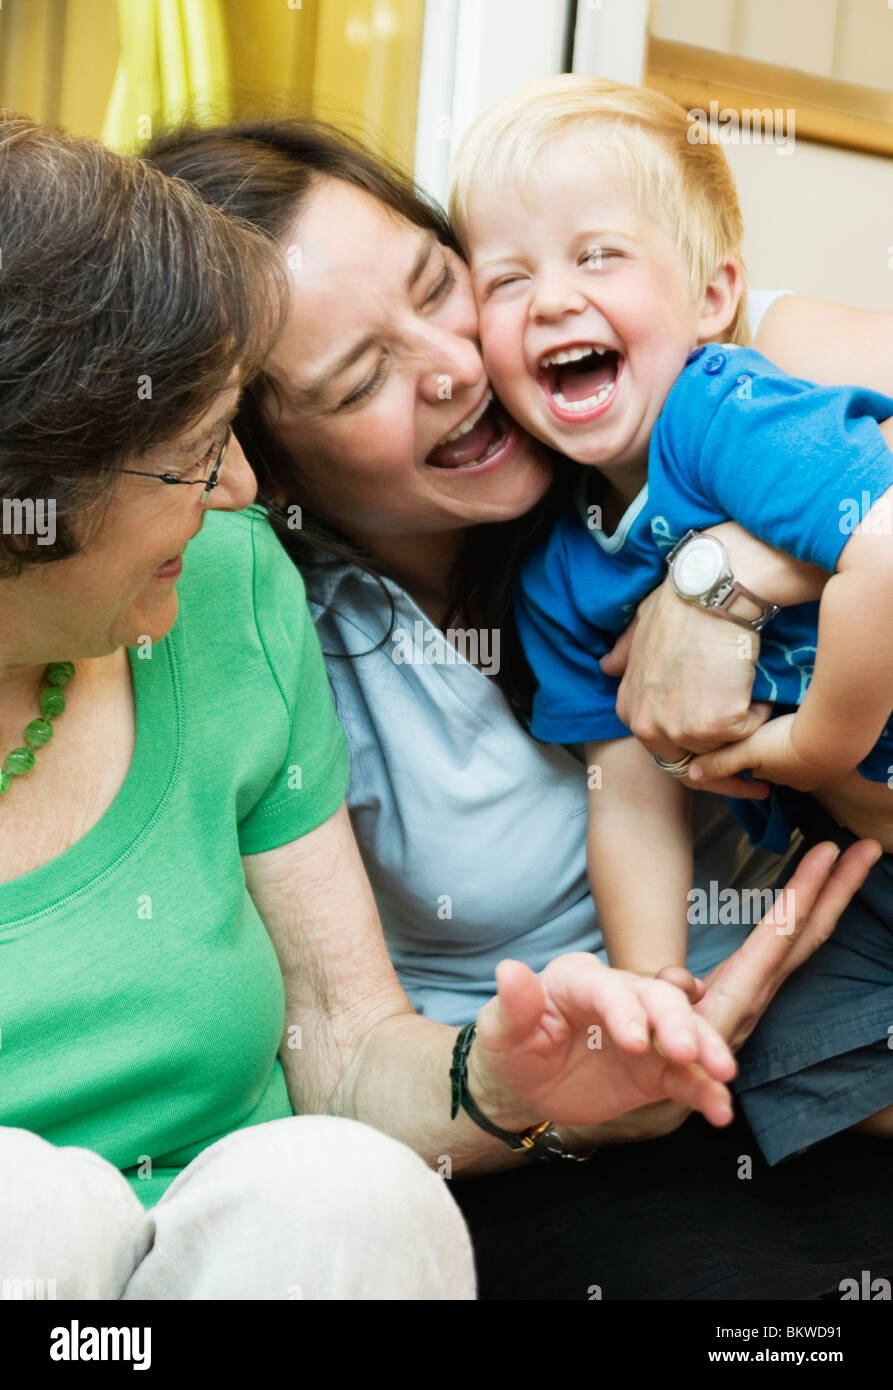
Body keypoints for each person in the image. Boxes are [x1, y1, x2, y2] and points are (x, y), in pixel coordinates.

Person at [0, 113, 798, 1303]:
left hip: (257, 1232)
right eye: (186, 455)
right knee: (30, 1204)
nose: (237, 490)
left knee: (345, 1186)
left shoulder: (228, 584)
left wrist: (517, 1088)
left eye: (439, 284)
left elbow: (345, 1046)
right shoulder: (318, 600)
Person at [448, 74, 893, 1166]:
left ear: (708, 297)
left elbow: (884, 543)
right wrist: (657, 984)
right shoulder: (556, 569)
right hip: (864, 867)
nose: (551, 298)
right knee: (784, 1062)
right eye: (506, 279)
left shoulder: (725, 413)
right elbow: (628, 788)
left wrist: (814, 744)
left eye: (596, 255)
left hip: (858, 793)